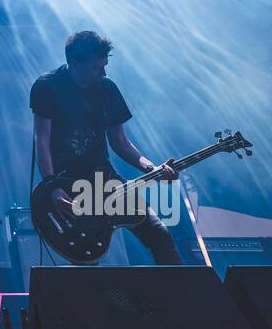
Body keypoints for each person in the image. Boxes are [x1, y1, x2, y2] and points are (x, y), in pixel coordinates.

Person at [29, 31, 182, 264]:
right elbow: (42, 141)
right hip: (70, 186)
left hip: (106, 181)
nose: (103, 72)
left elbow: (120, 142)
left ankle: (181, 298)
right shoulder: (47, 86)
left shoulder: (107, 89)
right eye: (96, 67)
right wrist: (53, 187)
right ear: (75, 62)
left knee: (159, 235)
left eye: (105, 65)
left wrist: (151, 167)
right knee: (87, 258)